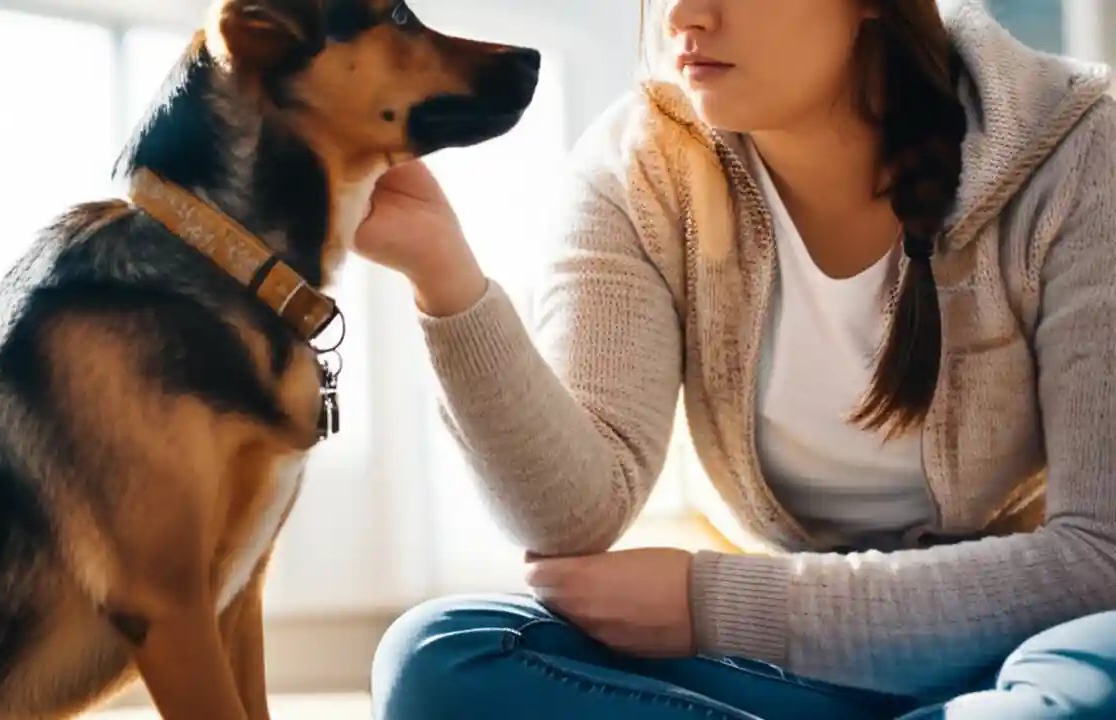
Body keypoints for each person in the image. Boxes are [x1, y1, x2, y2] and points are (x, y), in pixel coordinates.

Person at [352, 0, 1116, 717]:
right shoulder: (639, 166)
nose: (685, 14)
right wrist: (445, 277)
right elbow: (572, 516)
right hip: (796, 674)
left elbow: (1098, 561)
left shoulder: (1078, 146)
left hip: (1025, 650)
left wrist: (713, 604)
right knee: (444, 655)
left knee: (1092, 676)